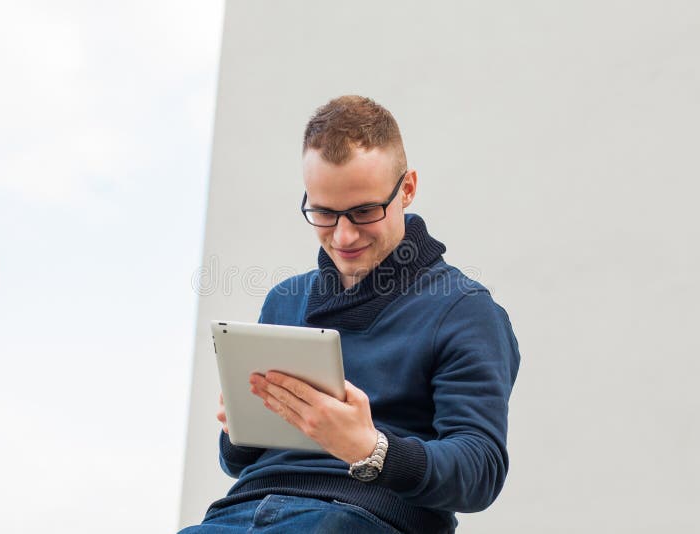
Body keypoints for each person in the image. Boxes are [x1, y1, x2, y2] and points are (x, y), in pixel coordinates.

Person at [179, 95, 521, 533]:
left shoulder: (465, 311)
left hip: (363, 518)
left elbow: (480, 471)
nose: (343, 235)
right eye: (323, 212)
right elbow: (237, 462)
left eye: (363, 211)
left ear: (408, 189)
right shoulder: (285, 299)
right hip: (239, 514)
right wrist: (239, 428)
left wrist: (371, 448)